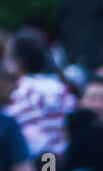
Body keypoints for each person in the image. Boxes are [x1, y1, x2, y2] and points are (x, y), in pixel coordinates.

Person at [4, 29, 75, 157]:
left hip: (36, 160)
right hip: (60, 158)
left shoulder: (22, 91)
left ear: (18, 63)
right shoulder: (60, 87)